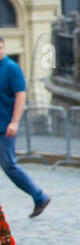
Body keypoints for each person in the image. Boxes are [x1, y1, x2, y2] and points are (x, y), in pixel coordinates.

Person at [0, 37, 51, 217]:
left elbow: (20, 96)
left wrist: (14, 122)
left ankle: (39, 196)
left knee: (9, 166)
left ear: (4, 47)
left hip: (5, 128)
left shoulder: (12, 69)